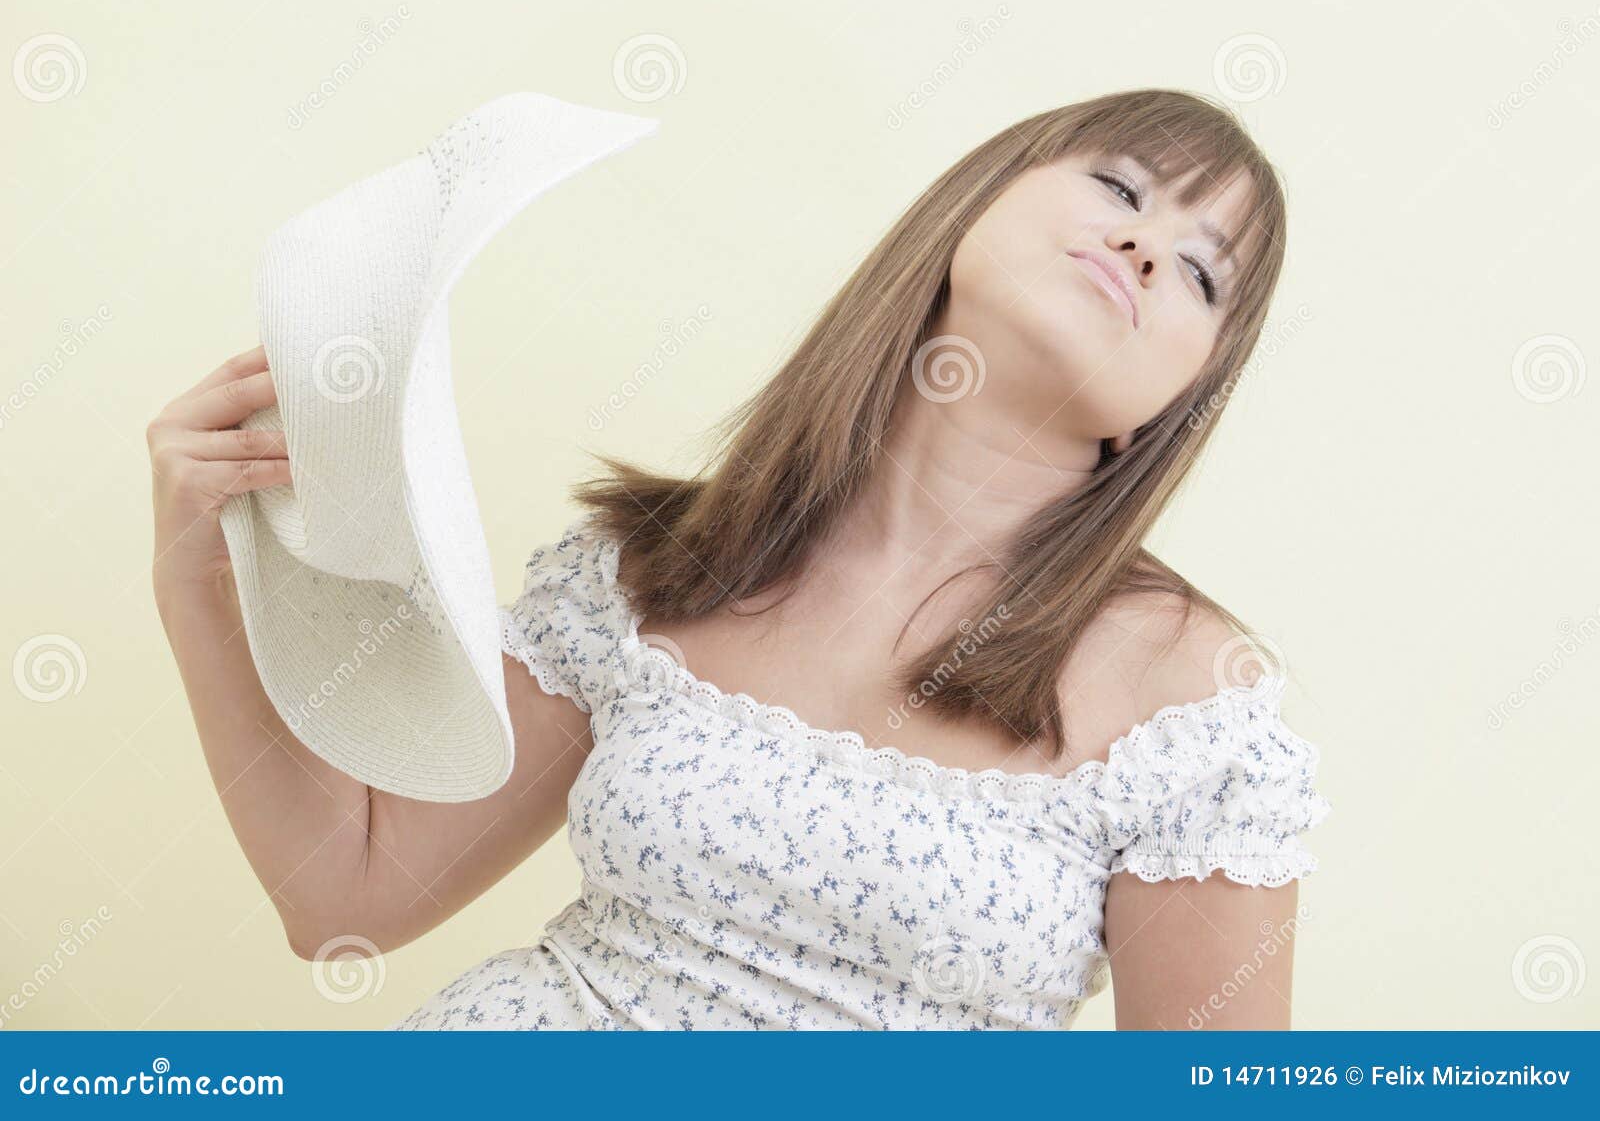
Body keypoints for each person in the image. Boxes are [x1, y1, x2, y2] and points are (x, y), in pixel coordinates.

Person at [148, 88, 1330, 1030]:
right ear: (971, 207)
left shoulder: (1194, 711)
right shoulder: (655, 566)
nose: (1141, 243)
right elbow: (341, 894)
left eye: (1199, 271)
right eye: (1120, 187)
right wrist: (196, 574)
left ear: (1178, 396)